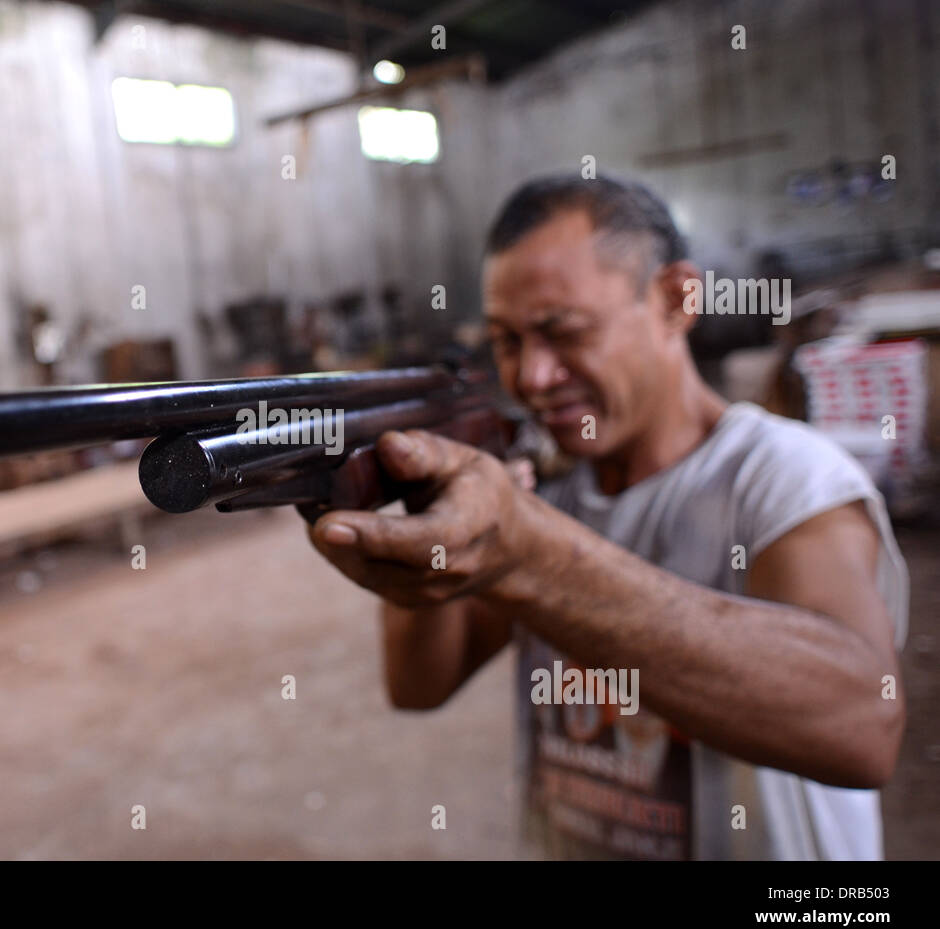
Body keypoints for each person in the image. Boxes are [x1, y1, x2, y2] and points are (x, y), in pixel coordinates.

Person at [307, 174, 908, 860]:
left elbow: (865, 726)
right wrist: (422, 532)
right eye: (506, 340)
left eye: (564, 331)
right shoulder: (549, 484)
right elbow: (419, 684)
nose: (532, 376)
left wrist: (530, 553)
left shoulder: (785, 476)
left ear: (677, 300)